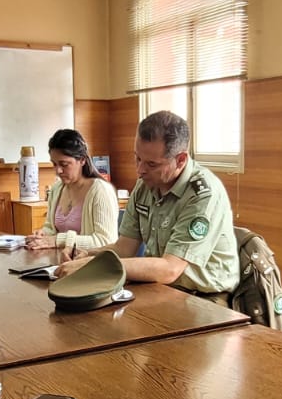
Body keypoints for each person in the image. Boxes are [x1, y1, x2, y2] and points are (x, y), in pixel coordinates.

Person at [56, 111, 238, 297]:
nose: (140, 170)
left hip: (206, 298)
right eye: (137, 158)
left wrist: (94, 266)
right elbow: (124, 249)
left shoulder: (202, 194)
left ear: (181, 160)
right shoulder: (146, 185)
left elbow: (170, 268)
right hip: (161, 288)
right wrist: (88, 256)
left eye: (152, 164)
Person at [25, 128, 118, 253]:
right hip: (60, 262)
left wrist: (57, 240)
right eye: (54, 164)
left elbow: (105, 241)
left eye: (64, 164)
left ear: (82, 160)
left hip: (91, 266)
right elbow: (51, 228)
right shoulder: (57, 188)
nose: (58, 171)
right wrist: (43, 234)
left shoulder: (100, 191)